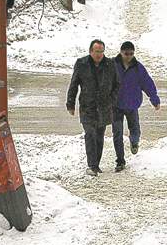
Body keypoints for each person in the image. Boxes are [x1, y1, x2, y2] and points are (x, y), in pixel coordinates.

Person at [66, 39, 120, 176]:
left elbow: (117, 85)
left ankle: (96, 164)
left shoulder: (110, 64)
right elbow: (74, 84)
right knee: (90, 134)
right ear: (91, 51)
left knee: (99, 136)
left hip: (104, 107)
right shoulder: (81, 64)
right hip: (87, 106)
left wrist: (112, 100)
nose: (99, 54)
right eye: (97, 51)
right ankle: (92, 165)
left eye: (101, 52)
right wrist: (70, 103)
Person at [112, 41, 161, 172]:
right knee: (117, 133)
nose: (128, 56)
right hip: (115, 105)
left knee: (135, 129)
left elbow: (147, 83)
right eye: (126, 53)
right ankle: (120, 161)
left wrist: (154, 99)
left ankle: (134, 142)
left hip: (132, 104)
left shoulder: (138, 68)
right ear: (121, 52)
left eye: (131, 54)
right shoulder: (112, 65)